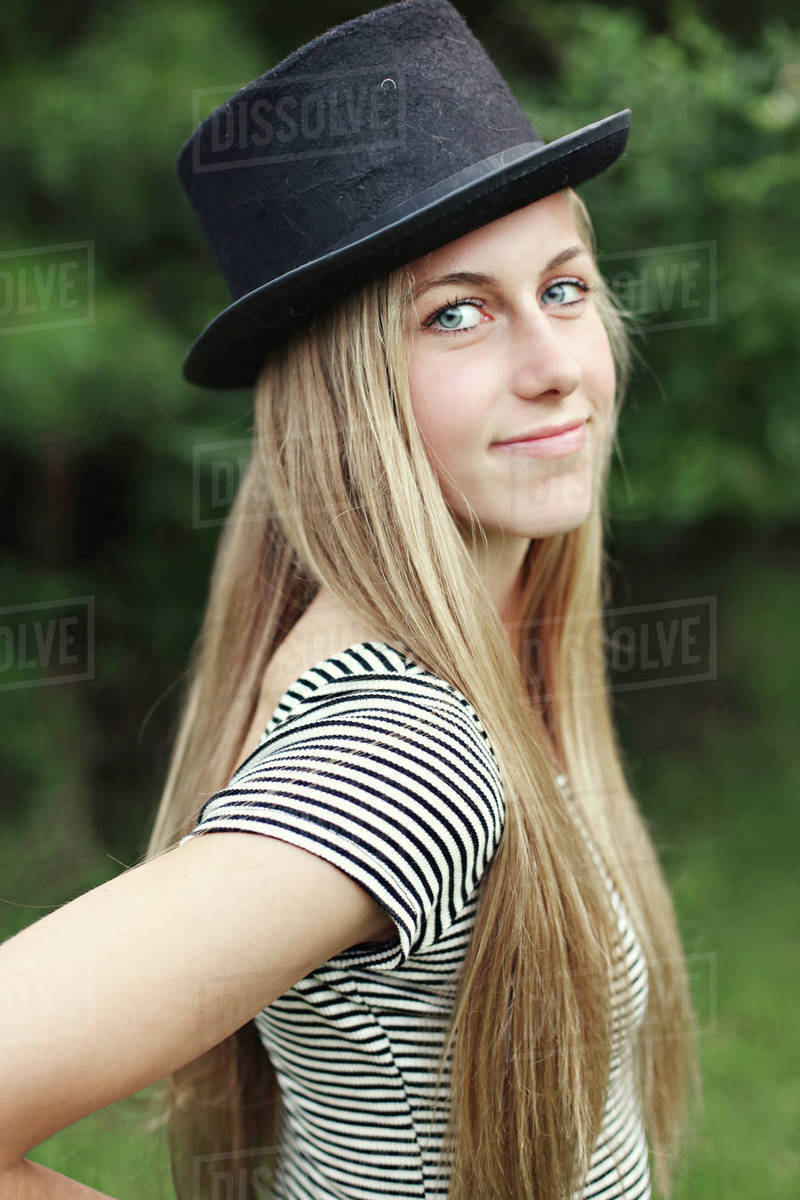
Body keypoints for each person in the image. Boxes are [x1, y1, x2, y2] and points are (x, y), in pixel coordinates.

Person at [0, 1, 702, 1198]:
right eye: (458, 313)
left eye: (566, 288)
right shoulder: (405, 749)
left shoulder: (458, 653)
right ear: (344, 395)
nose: (553, 365)